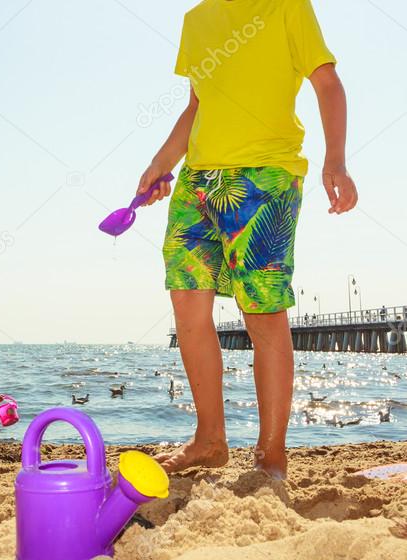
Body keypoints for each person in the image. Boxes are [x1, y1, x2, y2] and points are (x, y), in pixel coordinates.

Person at [136, 0, 358, 478]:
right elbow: (197, 106)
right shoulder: (195, 21)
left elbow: (328, 83)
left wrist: (335, 160)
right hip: (197, 182)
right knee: (187, 305)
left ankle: (271, 453)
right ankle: (210, 440)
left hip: (265, 177)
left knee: (261, 310)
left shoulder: (287, 7)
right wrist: (161, 163)